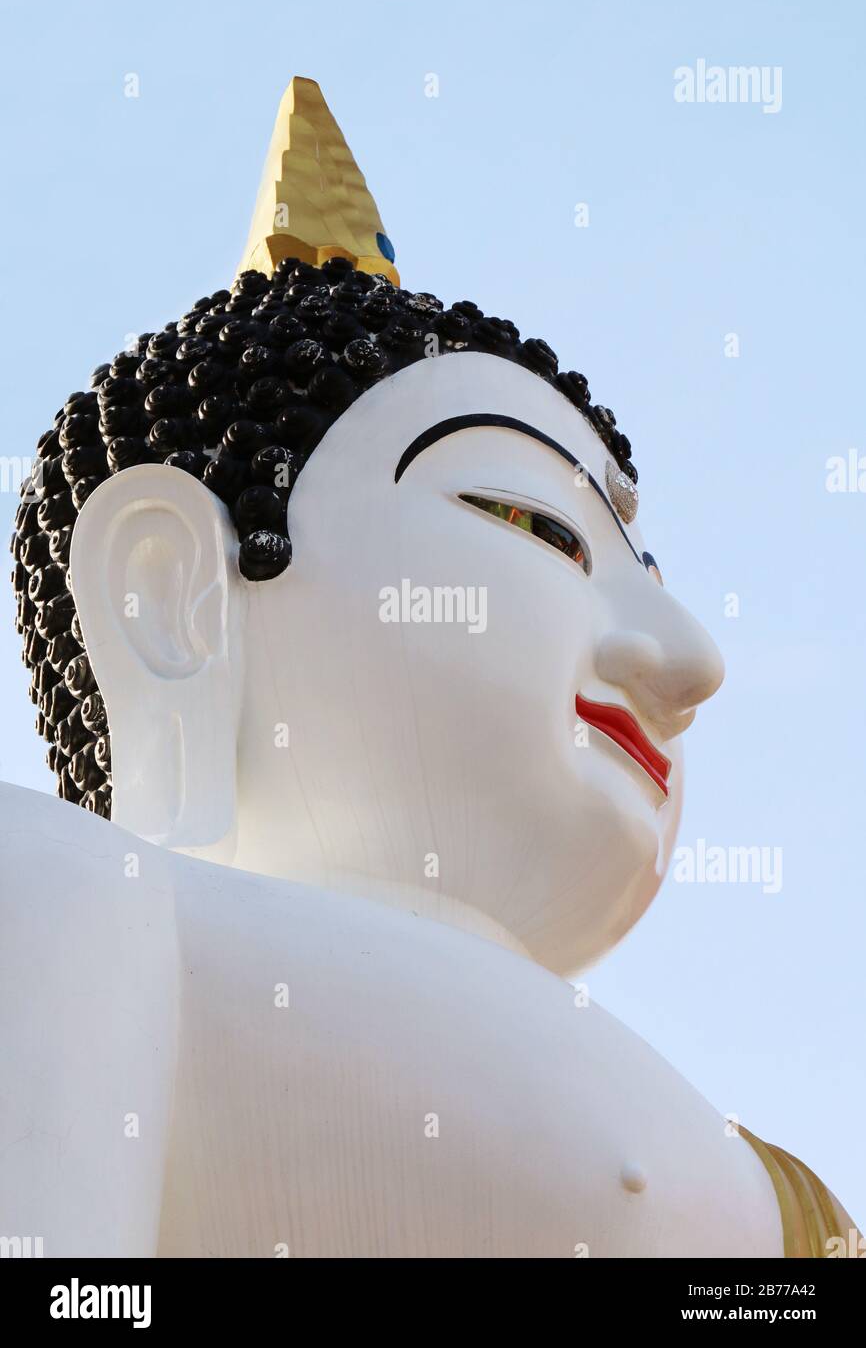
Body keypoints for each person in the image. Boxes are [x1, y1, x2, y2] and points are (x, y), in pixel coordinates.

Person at [1, 78, 857, 1258]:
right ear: (171, 595)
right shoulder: (72, 900)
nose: (684, 658)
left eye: (638, 562)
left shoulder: (761, 1177)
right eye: (533, 524)